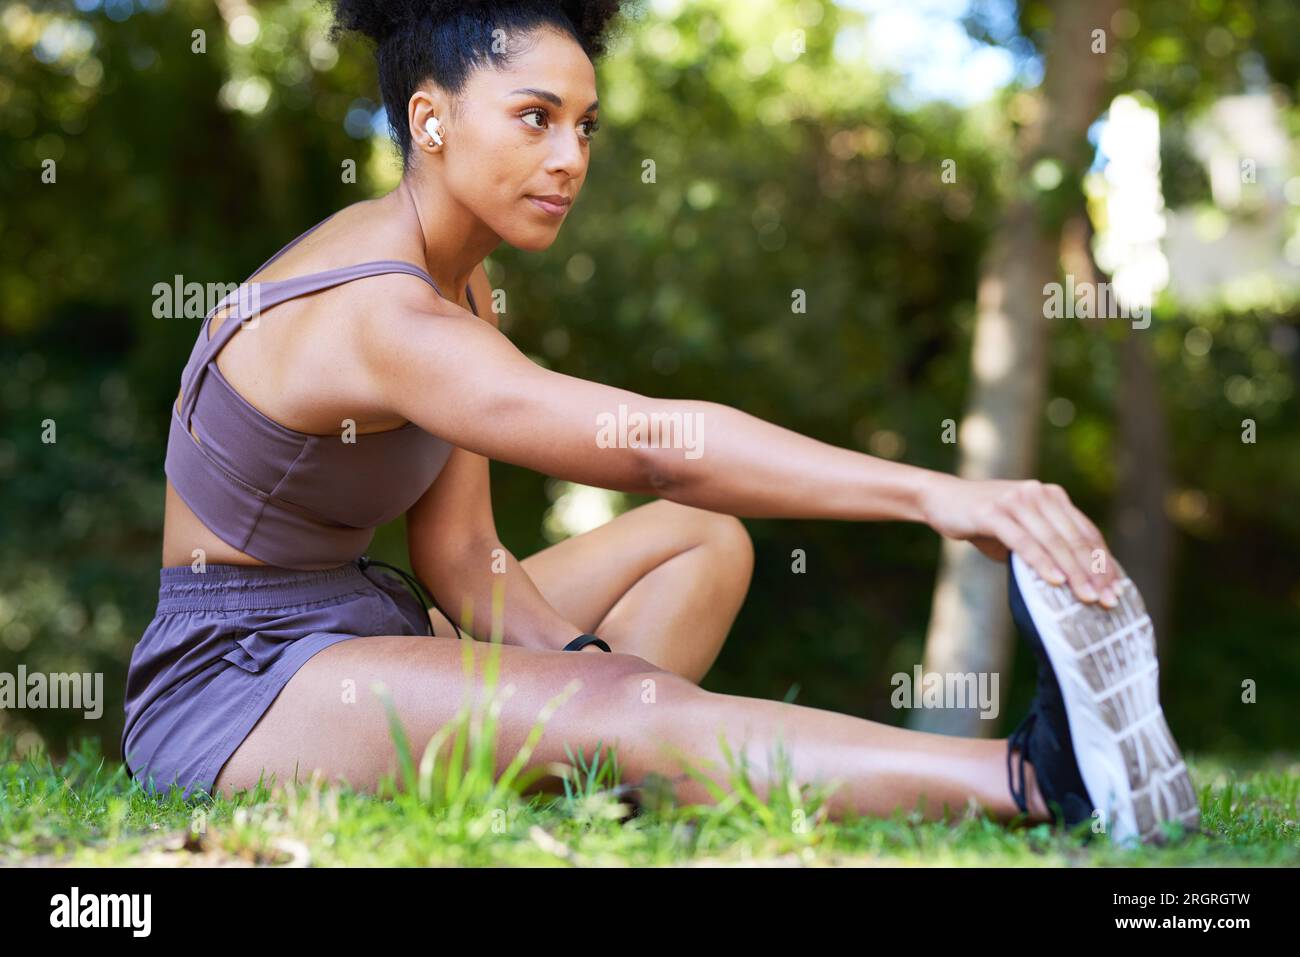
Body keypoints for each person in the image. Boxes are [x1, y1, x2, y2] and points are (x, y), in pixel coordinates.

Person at [120, 0, 1198, 845]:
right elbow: (646, 443)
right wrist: (938, 495)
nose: (570, 158)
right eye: (535, 118)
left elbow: (461, 554)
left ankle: (605, 762)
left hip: (364, 629)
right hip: (236, 687)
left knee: (698, 547)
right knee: (622, 692)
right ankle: (1039, 781)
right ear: (430, 116)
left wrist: (575, 666)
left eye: (585, 127)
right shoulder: (380, 310)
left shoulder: (457, 277)